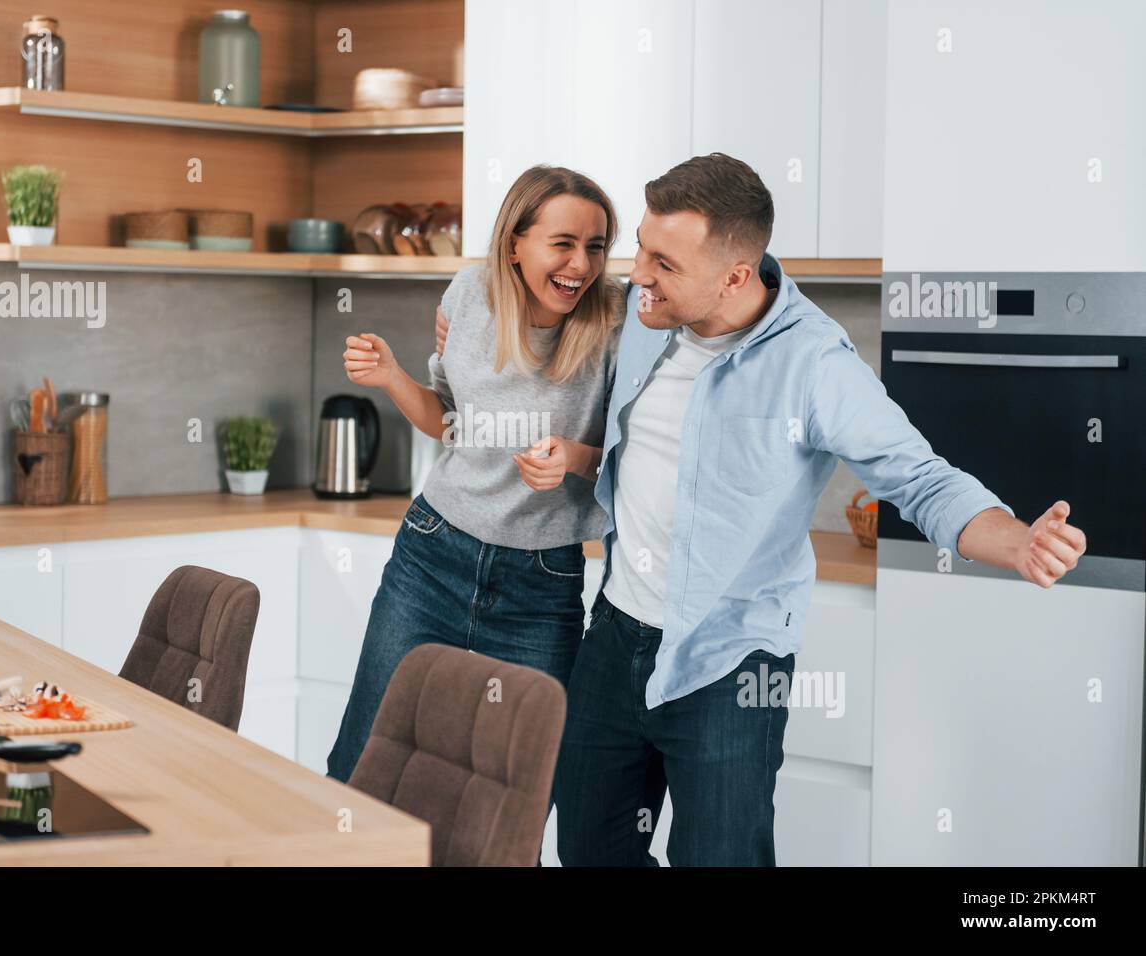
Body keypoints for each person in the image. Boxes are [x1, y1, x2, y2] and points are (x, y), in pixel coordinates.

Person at [437, 152, 1087, 866]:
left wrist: (1018, 541)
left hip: (732, 659)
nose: (637, 275)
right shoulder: (646, 318)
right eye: (643, 250)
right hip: (615, 634)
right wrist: (464, 322)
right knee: (592, 851)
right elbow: (545, 326)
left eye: (663, 263)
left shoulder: (815, 366)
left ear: (735, 277)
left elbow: (922, 480)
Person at [325, 166, 624, 782]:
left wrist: (572, 456)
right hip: (433, 555)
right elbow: (448, 423)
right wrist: (391, 377)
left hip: (542, 581)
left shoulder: (619, 321)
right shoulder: (468, 295)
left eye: (595, 246)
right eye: (562, 243)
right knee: (364, 763)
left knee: (515, 791)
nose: (581, 265)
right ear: (515, 244)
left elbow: (635, 456)